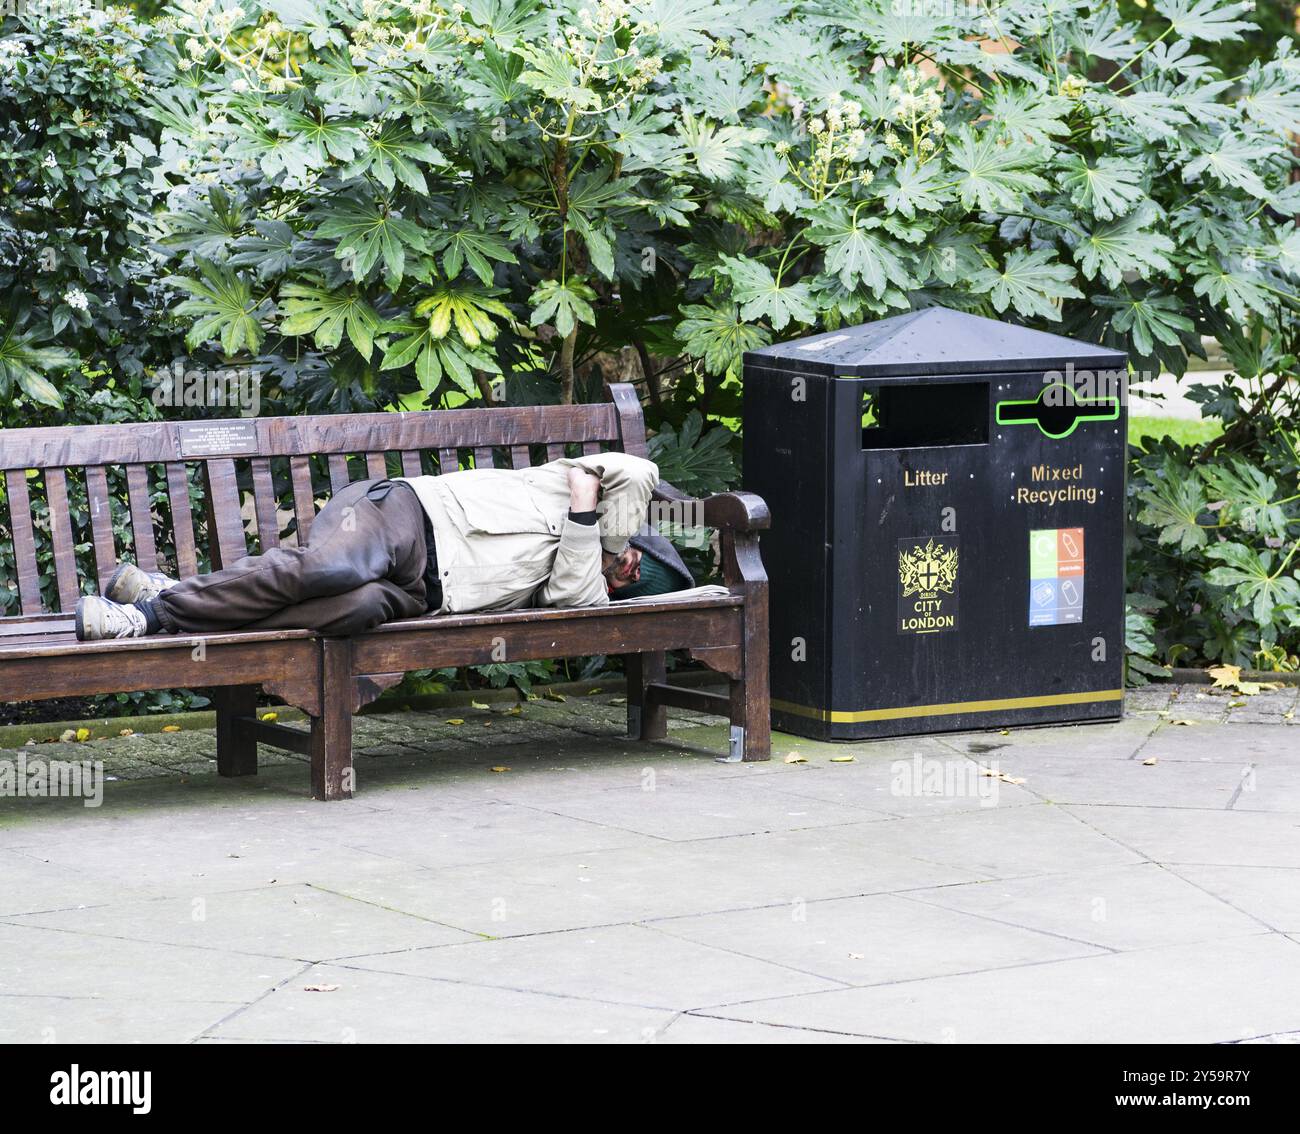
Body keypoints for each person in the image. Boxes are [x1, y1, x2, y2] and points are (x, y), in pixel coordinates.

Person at [74, 452, 695, 640]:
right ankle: (148, 616)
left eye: (630, 577)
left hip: (420, 595)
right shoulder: (556, 484)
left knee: (352, 608)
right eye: (637, 554)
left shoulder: (584, 589)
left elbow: (570, 594)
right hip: (405, 514)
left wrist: (593, 541)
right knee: (338, 565)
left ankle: (170, 599)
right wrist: (609, 531)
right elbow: (635, 470)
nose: (627, 566)